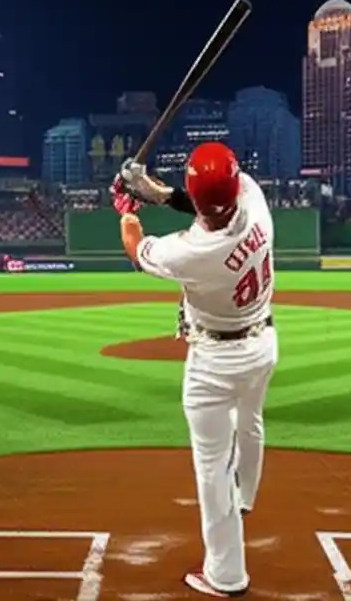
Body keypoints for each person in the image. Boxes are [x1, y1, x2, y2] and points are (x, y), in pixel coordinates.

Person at [116, 142, 276, 598]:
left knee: (211, 469)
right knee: (251, 421)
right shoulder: (254, 198)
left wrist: (127, 206)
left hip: (215, 361)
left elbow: (136, 247)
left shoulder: (189, 253)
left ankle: (226, 575)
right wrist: (156, 192)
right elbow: (209, 201)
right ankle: (246, 497)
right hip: (262, 343)